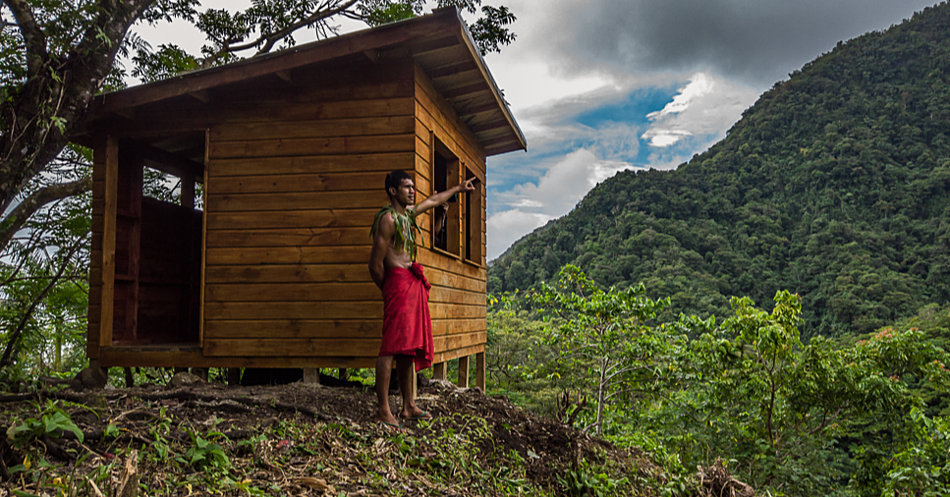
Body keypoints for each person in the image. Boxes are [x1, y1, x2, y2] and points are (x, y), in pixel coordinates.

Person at [368, 170, 477, 428]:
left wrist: (458, 188)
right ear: (393, 191)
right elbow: (374, 264)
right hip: (397, 283)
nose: (412, 191)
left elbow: (434, 200)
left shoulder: (407, 216)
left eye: (413, 187)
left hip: (410, 284)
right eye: (406, 187)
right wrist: (389, 288)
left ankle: (408, 406)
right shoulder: (388, 219)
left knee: (408, 346)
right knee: (390, 347)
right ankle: (383, 409)